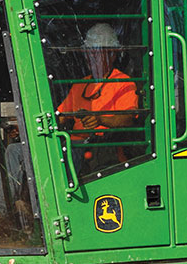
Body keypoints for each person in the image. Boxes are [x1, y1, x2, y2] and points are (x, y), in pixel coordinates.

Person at [58, 22, 139, 171]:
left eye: (96, 53)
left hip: (101, 148)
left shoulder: (123, 83)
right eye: (88, 53)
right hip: (74, 146)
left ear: (112, 54)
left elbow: (127, 118)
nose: (91, 57)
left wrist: (100, 119)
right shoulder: (80, 84)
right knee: (16, 151)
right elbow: (62, 115)